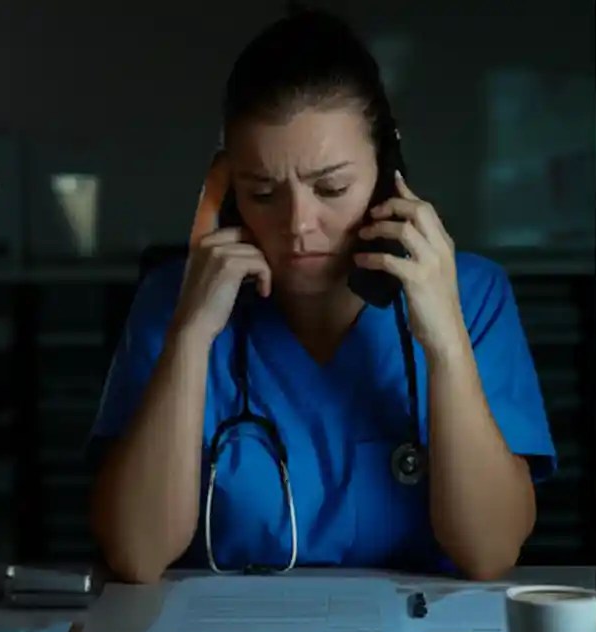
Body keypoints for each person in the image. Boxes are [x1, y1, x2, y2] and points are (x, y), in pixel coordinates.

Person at [88, 9, 555, 584]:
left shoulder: (475, 294)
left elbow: (490, 553)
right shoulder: (172, 300)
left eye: (331, 187)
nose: (297, 224)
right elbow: (135, 554)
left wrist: (446, 344)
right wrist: (190, 336)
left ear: (387, 172)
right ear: (225, 189)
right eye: (261, 193)